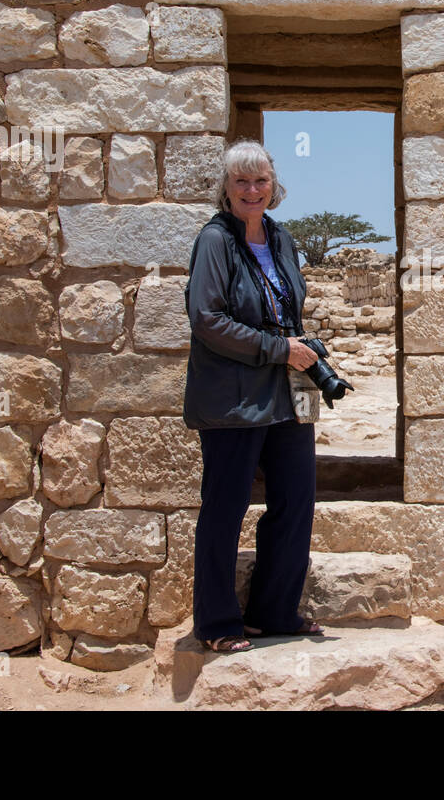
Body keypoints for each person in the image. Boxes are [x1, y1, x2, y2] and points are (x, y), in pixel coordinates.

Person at [182, 138, 325, 654]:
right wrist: (276, 348)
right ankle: (218, 622)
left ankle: (273, 611)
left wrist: (298, 351)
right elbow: (206, 319)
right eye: (241, 180)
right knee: (225, 506)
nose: (251, 189)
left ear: (274, 185)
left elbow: (289, 308)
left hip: (287, 393)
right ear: (225, 188)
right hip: (232, 398)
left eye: (260, 179)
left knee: (296, 500)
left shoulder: (282, 238)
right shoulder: (215, 241)